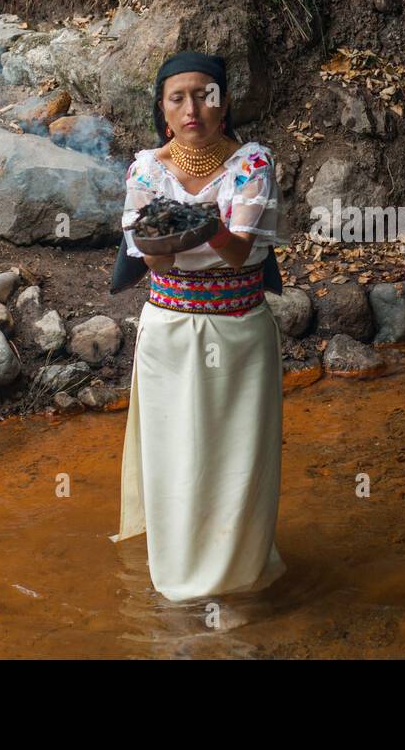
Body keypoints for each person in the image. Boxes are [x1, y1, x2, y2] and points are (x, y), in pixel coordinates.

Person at [108, 51, 289, 607]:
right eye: (178, 97)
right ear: (163, 110)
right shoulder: (147, 170)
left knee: (236, 460)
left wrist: (203, 224)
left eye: (205, 95)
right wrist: (167, 237)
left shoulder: (251, 165)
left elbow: (238, 256)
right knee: (177, 458)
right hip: (169, 333)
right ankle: (181, 579)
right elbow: (155, 260)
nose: (193, 108)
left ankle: (236, 582)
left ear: (225, 102)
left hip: (238, 331)